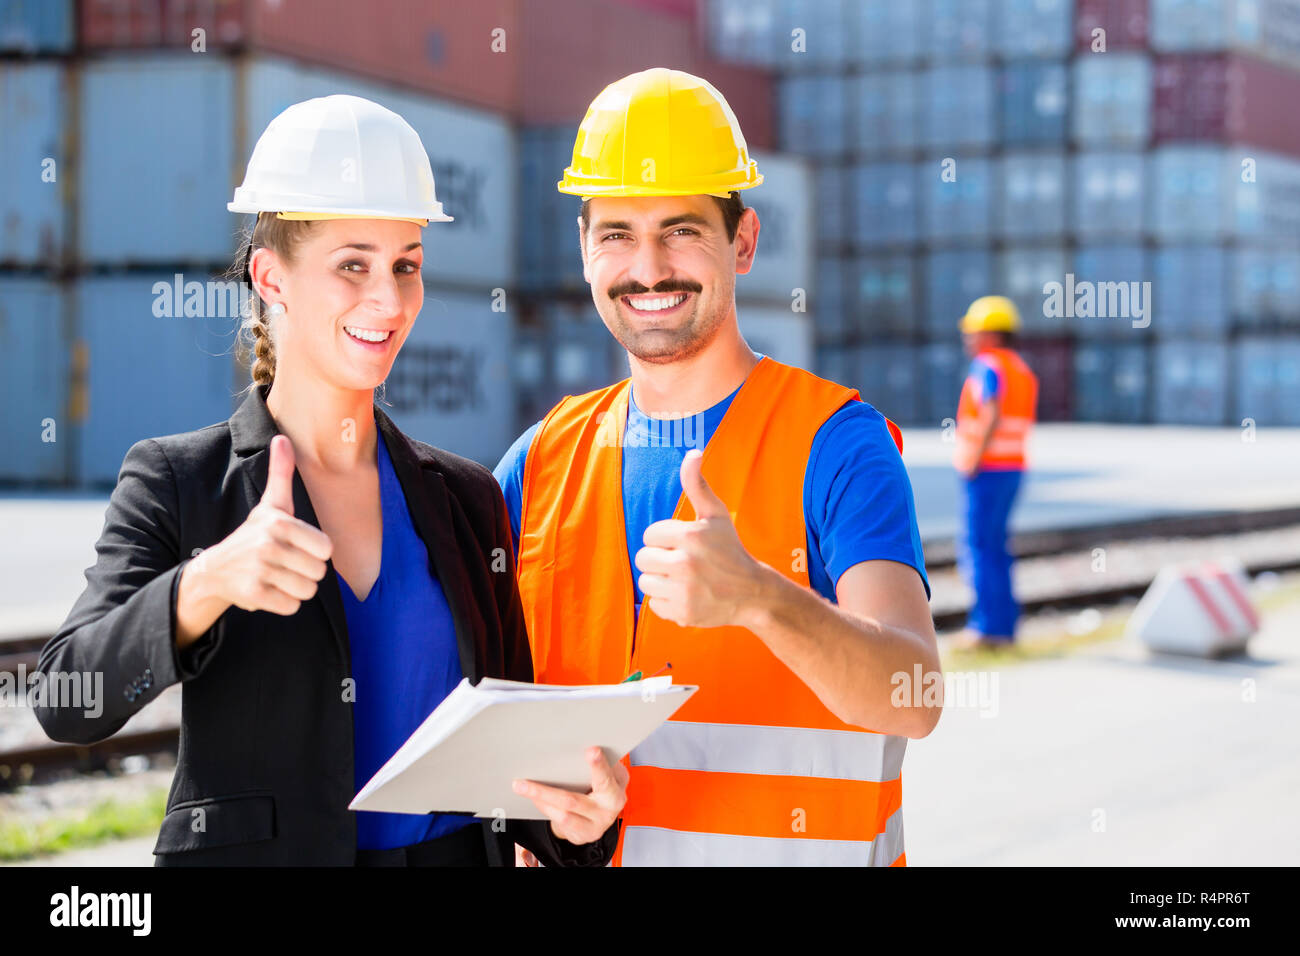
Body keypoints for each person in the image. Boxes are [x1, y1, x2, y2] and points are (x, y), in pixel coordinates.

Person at [34, 94, 624, 866]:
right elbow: (65, 700)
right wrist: (206, 582)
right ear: (270, 277)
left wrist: (579, 821)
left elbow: (509, 765)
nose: (388, 299)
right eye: (353, 265)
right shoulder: (180, 481)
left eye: (406, 266)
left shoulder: (467, 499)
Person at [494, 68, 940, 867]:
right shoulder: (540, 461)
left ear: (743, 241)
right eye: (617, 233)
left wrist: (763, 599)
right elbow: (469, 713)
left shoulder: (835, 443)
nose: (650, 267)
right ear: (586, 249)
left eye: (682, 229)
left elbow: (917, 694)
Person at [952, 296, 1040, 650]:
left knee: (979, 547)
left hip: (987, 469)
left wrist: (974, 455)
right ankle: (1005, 628)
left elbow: (991, 409)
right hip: (1013, 467)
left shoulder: (988, 365)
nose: (968, 339)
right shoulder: (1020, 367)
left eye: (973, 332)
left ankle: (986, 628)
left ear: (990, 334)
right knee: (997, 548)